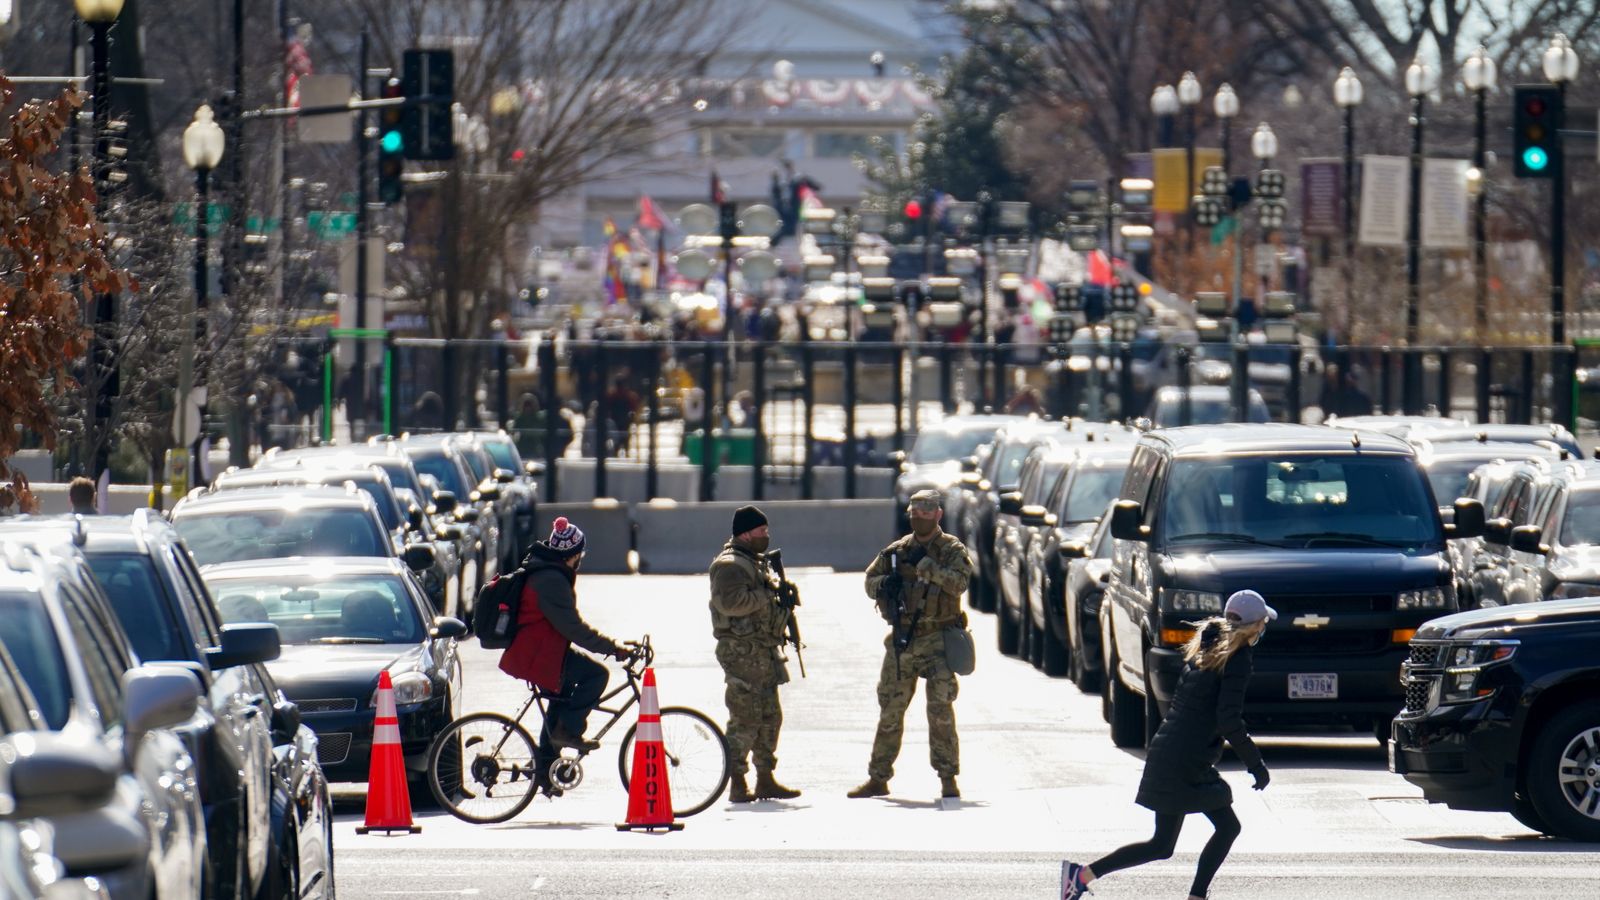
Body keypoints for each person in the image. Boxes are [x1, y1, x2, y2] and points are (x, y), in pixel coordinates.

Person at [1060, 590, 1276, 900]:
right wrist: (1256, 764)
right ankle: (1195, 896)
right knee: (1225, 828)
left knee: (1163, 844)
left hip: (1171, 752)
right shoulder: (1237, 657)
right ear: (1253, 625)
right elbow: (1228, 719)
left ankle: (1081, 876)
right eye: (1263, 622)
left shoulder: (1208, 647)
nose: (1264, 628)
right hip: (1186, 761)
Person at [497, 517, 635, 795]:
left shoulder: (548, 571)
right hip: (537, 654)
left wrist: (612, 645)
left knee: (561, 700)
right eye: (580, 554)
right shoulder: (551, 580)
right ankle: (568, 731)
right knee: (596, 675)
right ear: (574, 554)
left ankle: (545, 772)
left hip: (542, 650)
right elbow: (573, 628)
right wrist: (613, 647)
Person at [851, 489, 974, 800]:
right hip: (903, 641)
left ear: (938, 515)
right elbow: (869, 581)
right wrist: (885, 584)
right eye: (915, 513)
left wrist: (928, 566)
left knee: (940, 711)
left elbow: (959, 583)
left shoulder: (951, 549)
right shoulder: (897, 551)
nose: (919, 517)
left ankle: (948, 777)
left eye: (926, 512)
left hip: (939, 640)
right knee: (890, 710)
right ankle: (878, 777)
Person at [709, 505, 801, 803]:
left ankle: (765, 778)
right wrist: (768, 594)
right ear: (746, 534)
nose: (766, 535)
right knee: (745, 718)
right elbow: (730, 603)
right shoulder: (730, 565)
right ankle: (737, 781)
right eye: (762, 531)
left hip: (762, 651)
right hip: (742, 652)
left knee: (770, 716)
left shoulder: (753, 562)